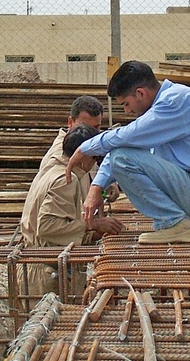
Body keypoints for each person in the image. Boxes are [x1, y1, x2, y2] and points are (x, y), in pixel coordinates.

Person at [65, 60, 190, 244]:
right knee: (121, 155)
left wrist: (86, 147)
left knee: (121, 159)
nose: (127, 111)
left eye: (126, 104)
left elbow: (127, 139)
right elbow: (129, 142)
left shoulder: (175, 100)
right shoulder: (165, 107)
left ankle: (176, 223)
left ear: (141, 93)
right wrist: (97, 187)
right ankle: (185, 223)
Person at [19, 125, 125, 297]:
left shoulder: (53, 169)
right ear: (83, 156)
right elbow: (47, 227)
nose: (94, 163)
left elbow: (62, 227)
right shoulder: (66, 180)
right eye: (94, 157)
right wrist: (94, 223)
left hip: (41, 266)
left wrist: (93, 234)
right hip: (46, 273)